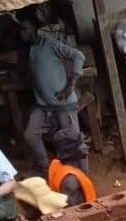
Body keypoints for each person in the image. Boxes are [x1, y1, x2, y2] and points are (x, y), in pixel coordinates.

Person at [23, 16, 84, 173]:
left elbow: (78, 56)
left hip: (63, 103)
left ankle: (83, 173)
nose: (21, 33)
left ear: (34, 30)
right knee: (31, 134)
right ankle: (46, 168)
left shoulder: (49, 44)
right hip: (43, 106)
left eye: (25, 29)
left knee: (73, 138)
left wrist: (71, 85)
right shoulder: (30, 50)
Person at [47, 127, 96, 206]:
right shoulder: (70, 181)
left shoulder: (65, 168)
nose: (86, 146)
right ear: (70, 151)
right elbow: (71, 213)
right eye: (81, 144)